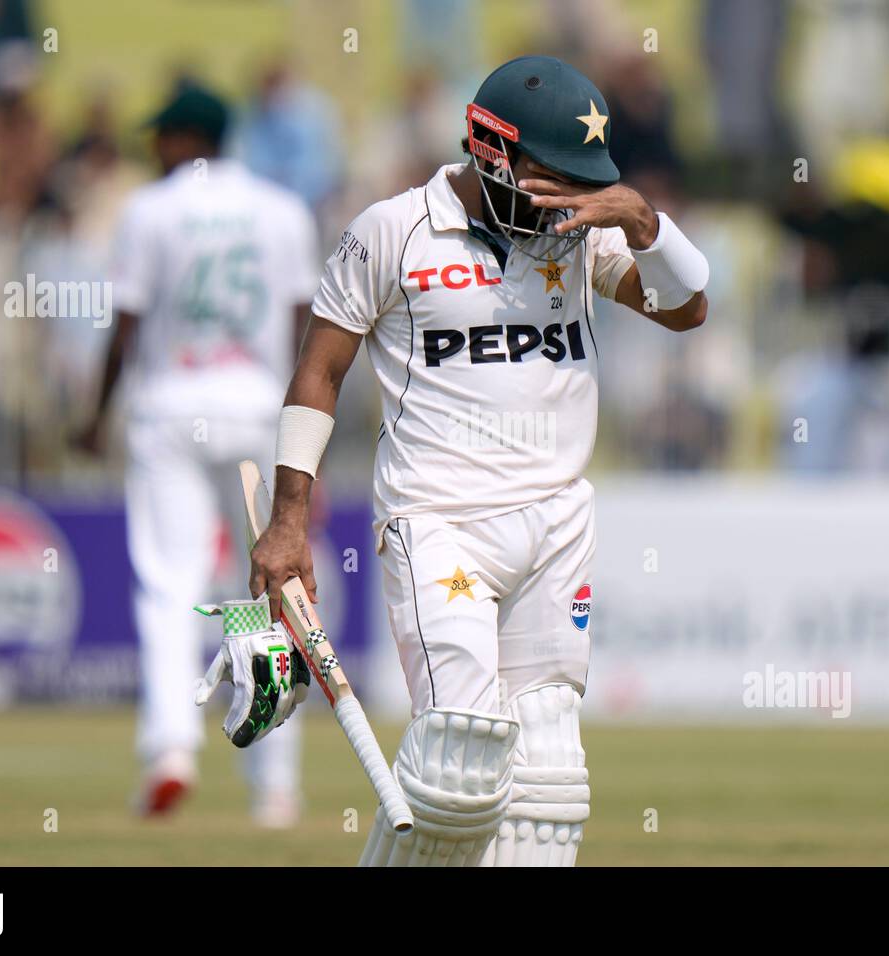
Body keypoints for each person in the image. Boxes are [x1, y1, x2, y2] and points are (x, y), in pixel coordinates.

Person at [246, 55, 709, 865]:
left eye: (583, 181)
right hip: (439, 522)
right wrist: (289, 523)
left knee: (552, 775)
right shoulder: (391, 231)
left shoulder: (582, 231)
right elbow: (318, 374)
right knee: (460, 764)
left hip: (558, 522)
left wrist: (641, 220)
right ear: (490, 150)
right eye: (551, 176)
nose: (567, 197)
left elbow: (687, 307)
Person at [74, 83, 319, 827]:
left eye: (163, 136)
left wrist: (94, 416)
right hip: (258, 408)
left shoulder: (150, 210)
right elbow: (309, 326)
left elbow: (126, 324)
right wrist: (310, 445)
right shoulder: (283, 209)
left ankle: (172, 749)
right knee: (271, 594)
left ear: (185, 138)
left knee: (168, 584)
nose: (155, 149)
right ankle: (274, 784)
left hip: (172, 407)